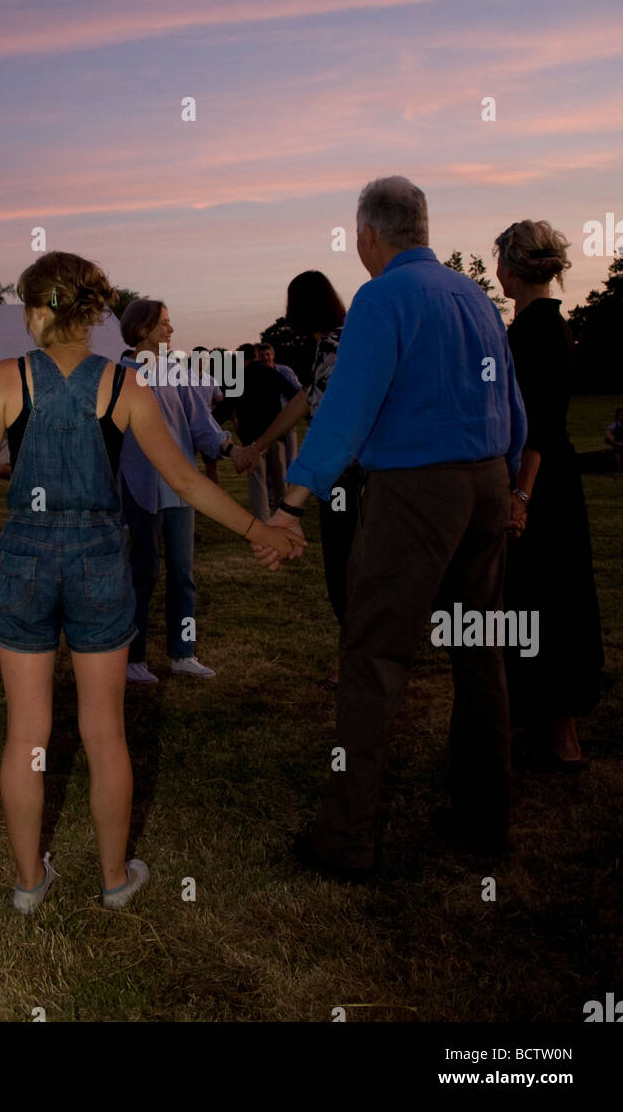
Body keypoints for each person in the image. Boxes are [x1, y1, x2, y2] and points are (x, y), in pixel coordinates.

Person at [0, 252, 303, 913]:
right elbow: (187, 479)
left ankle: (29, 883)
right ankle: (114, 880)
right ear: (93, 313)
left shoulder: (5, 378)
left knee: (26, 735)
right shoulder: (124, 385)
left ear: (35, 311)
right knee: (104, 732)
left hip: (24, 561)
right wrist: (261, 532)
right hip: (99, 561)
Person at [259, 177, 527, 879]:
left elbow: (346, 406)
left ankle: (347, 836)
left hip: (417, 490)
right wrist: (513, 485)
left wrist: (291, 502)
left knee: (375, 655)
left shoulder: (382, 297)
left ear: (368, 237)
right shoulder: (473, 296)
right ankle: (485, 816)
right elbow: (511, 396)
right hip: (488, 482)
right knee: (479, 648)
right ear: (424, 228)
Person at [495, 221, 604, 769]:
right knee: (552, 597)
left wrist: (520, 496)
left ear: (510, 268)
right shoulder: (550, 325)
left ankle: (558, 735)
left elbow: (536, 426)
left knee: (545, 598)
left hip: (540, 483)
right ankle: (550, 729)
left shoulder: (531, 333)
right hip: (554, 478)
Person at [118, 301, 246, 683]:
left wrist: (231, 449)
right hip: (139, 489)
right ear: (142, 329)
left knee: (183, 576)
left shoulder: (177, 372)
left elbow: (201, 424)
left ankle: (183, 654)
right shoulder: (117, 375)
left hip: (180, 491)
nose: (171, 331)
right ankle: (132, 659)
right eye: (164, 324)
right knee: (141, 575)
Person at [236, 272, 357, 645]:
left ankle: (356, 657)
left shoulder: (333, 345)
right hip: (360, 472)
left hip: (347, 474)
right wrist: (259, 445)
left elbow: (328, 422)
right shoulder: (345, 339)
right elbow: (304, 399)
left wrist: (294, 500)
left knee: (344, 567)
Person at [228, 344, 299, 521]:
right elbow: (295, 395)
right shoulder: (273, 374)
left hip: (252, 440)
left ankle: (263, 522)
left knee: (258, 483)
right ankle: (283, 518)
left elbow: (225, 407)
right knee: (280, 480)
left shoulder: (238, 378)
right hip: (275, 436)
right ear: (257, 356)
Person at [257, 342, 301, 469]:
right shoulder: (259, 375)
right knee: (275, 461)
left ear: (273, 355)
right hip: (270, 423)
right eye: (262, 355)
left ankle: (292, 486)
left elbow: (297, 391)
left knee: (291, 458)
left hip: (288, 419)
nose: (265, 358)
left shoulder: (285, 371)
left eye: (267, 354)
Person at [191, 346, 223, 484]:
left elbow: (220, 399)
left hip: (207, 426)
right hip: (188, 425)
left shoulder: (211, 380)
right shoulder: (182, 378)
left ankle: (214, 498)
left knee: (211, 464)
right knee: (188, 464)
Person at [605, 407, 623, 473]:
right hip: (617, 443)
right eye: (621, 416)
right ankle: (619, 468)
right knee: (618, 451)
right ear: (618, 417)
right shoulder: (615, 424)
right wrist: (613, 441)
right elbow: (608, 432)